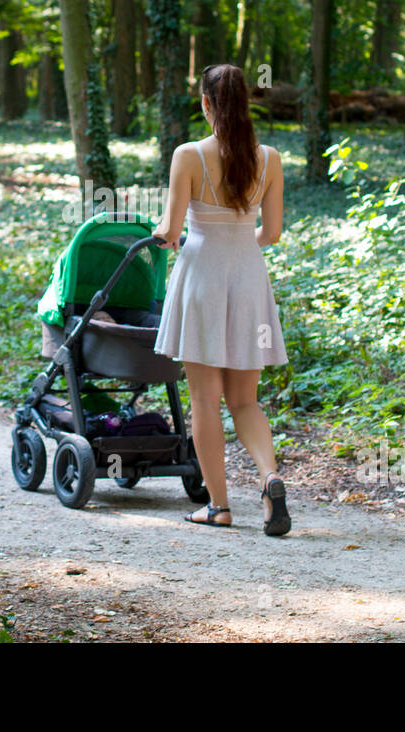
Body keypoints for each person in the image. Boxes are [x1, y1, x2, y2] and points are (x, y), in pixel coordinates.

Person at [152, 64, 290, 536]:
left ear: (207, 104)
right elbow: (270, 233)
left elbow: (171, 230)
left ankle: (219, 506)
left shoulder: (188, 156)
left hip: (202, 278)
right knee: (245, 402)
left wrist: (163, 234)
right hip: (249, 279)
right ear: (245, 103)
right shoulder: (269, 158)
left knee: (205, 401)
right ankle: (271, 478)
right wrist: (238, 236)